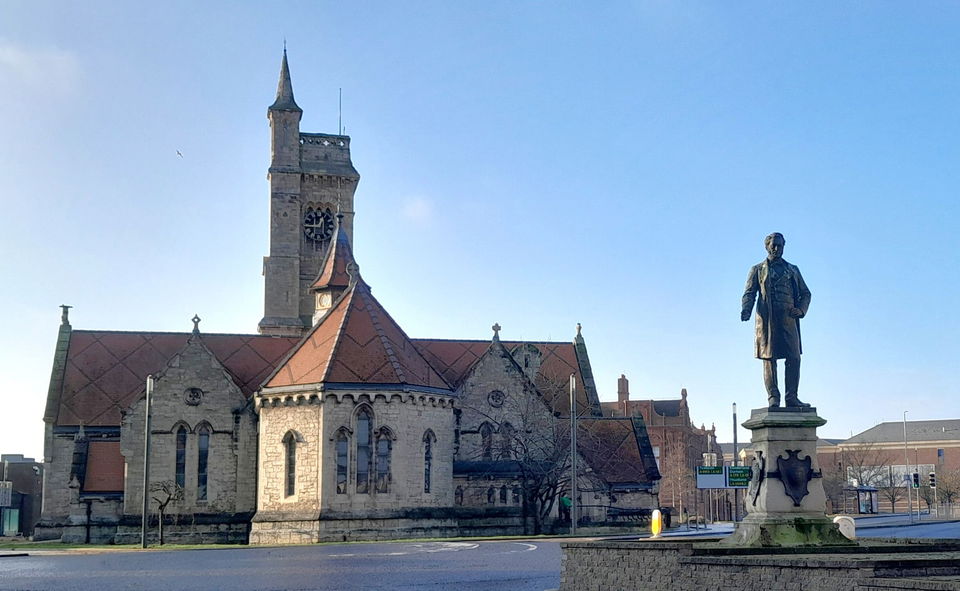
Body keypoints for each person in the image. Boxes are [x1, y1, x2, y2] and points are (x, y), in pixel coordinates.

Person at [741, 232, 812, 408]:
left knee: (794, 357)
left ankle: (791, 397)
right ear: (767, 246)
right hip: (767, 319)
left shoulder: (793, 269)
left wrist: (801, 310)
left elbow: (806, 293)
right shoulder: (757, 269)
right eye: (773, 245)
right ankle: (773, 397)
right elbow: (749, 292)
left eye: (780, 245)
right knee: (769, 358)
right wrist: (746, 309)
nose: (776, 248)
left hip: (789, 318)